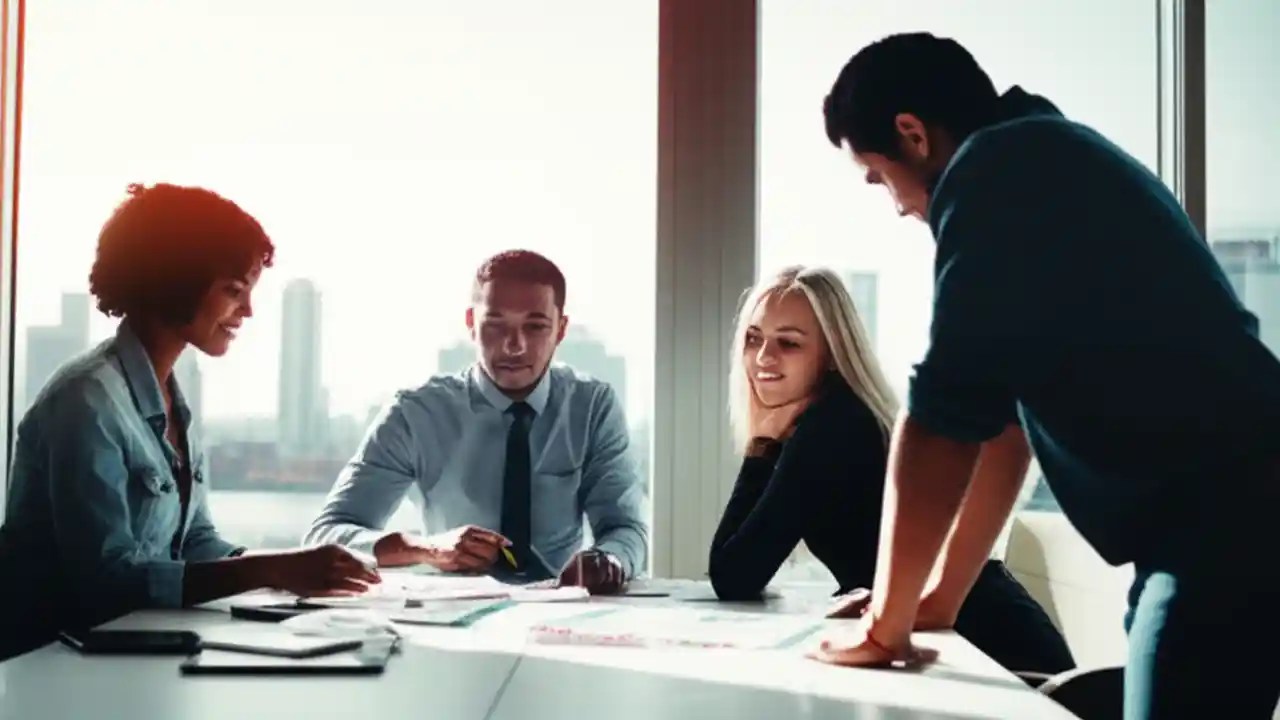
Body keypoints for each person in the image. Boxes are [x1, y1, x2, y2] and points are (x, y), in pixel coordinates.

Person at [809, 32, 1280, 719]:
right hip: (1225, 520)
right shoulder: (1043, 154)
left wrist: (887, 625)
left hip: (1221, 530)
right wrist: (934, 602)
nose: (897, 205)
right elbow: (1004, 430)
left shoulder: (994, 172)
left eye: (879, 175)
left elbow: (941, 420)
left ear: (912, 134)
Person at [0, 184, 380, 660]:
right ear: (178, 280)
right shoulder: (87, 402)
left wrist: (291, 571)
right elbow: (105, 585)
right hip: (52, 668)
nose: (248, 311)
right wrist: (269, 571)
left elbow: (195, 540)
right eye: (234, 290)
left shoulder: (172, 398)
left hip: (134, 654)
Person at [711, 265, 1074, 676]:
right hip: (954, 638)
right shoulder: (833, 416)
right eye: (753, 338)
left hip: (993, 650)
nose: (763, 358)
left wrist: (760, 449)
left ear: (831, 355)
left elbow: (733, 575)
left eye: (789, 343)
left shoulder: (833, 425)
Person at [305, 250, 647, 594]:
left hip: (563, 608)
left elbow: (626, 529)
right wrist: (427, 549)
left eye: (536, 326)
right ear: (471, 323)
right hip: (452, 609)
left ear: (561, 330)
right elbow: (327, 532)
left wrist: (608, 560)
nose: (515, 346)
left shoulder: (591, 407)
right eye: (496, 325)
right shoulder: (415, 414)